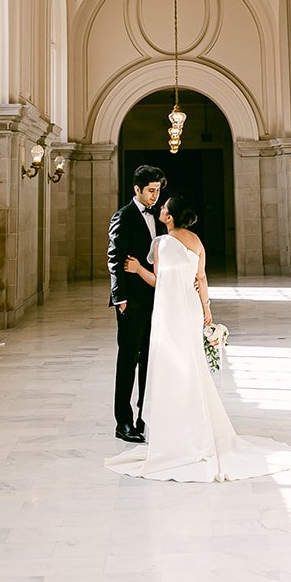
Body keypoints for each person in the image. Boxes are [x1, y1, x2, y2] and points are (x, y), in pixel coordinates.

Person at [105, 195, 291, 483]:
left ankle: (173, 427)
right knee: (192, 364)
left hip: (169, 312)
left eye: (164, 208)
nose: (160, 208)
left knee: (170, 365)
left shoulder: (161, 243)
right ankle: (197, 423)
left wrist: (138, 269)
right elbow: (201, 278)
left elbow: (159, 281)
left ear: (170, 217)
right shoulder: (197, 242)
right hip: (189, 310)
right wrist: (206, 311)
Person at [107, 163, 166, 442]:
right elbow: (114, 259)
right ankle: (123, 422)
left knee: (149, 360)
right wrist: (120, 298)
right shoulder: (123, 216)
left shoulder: (157, 218)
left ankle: (145, 416)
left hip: (155, 298)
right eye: (151, 191)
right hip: (131, 302)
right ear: (137, 190)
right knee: (128, 360)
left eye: (157, 191)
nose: (155, 196)